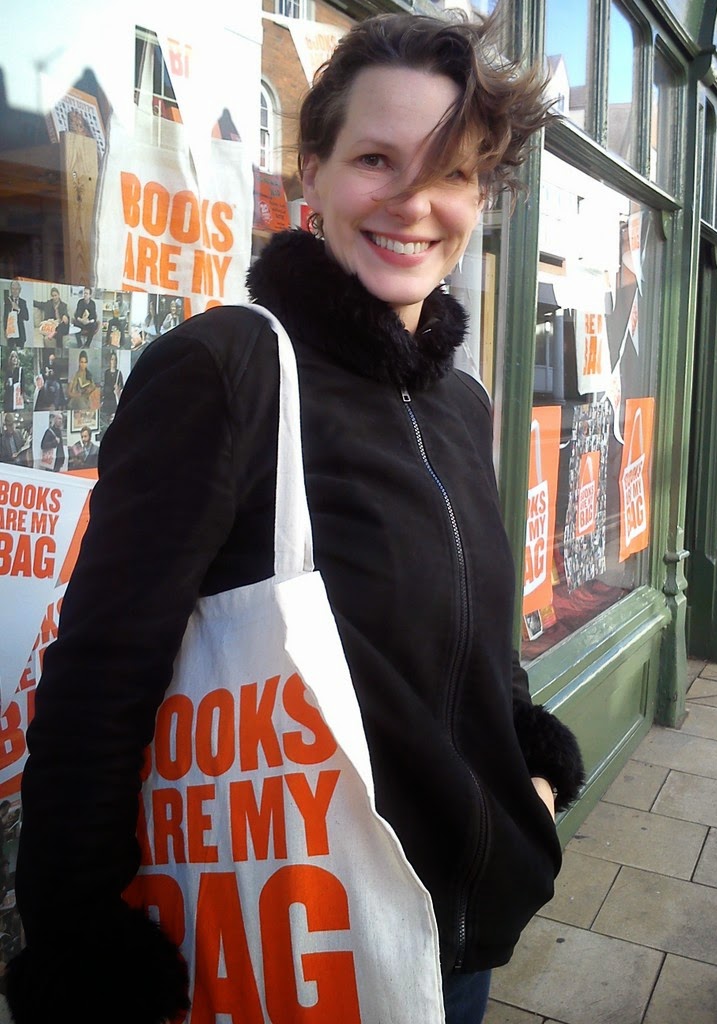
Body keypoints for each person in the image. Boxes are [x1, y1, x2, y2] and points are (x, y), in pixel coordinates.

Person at [8, 13, 585, 1024]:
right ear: (309, 172)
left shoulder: (462, 401)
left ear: (483, 197)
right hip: (291, 948)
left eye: (452, 173)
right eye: (376, 158)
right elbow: (98, 681)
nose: (414, 203)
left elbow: (472, 635)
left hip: (458, 952)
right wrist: (81, 935)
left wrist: (528, 768)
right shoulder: (226, 371)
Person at [3, 279, 29, 347]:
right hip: (10, 332)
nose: (14, 291)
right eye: (13, 289)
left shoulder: (23, 302)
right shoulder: (7, 301)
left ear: (20, 290)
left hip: (20, 333)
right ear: (11, 289)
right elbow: (5, 317)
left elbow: (26, 317)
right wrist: (5, 330)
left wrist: (18, 308)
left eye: (16, 289)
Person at [100, 350, 124, 423]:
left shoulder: (119, 373)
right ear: (110, 361)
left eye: (115, 359)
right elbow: (105, 386)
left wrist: (118, 388)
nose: (114, 361)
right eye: (112, 359)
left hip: (114, 399)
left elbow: (122, 387)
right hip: (107, 398)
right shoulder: (106, 372)